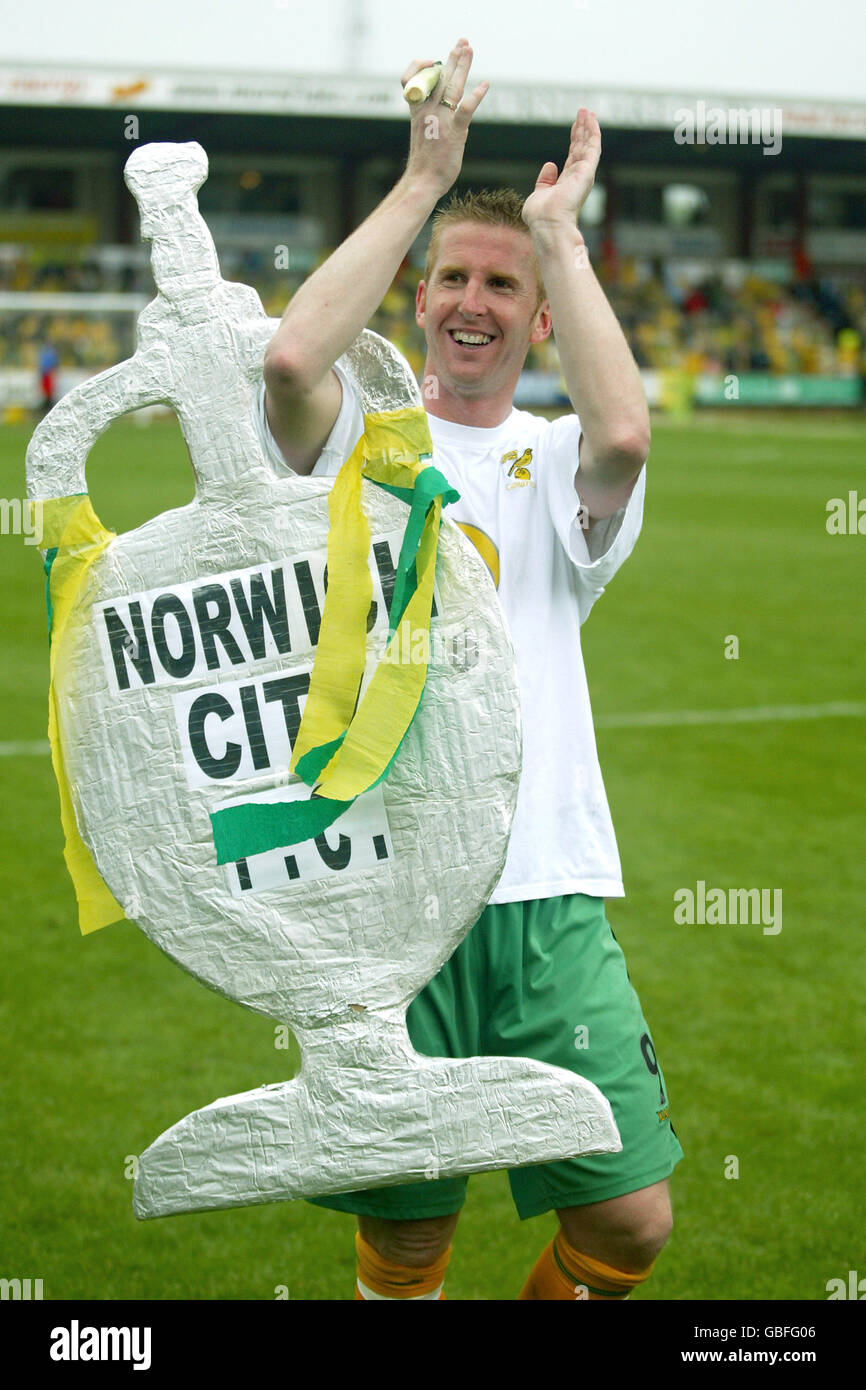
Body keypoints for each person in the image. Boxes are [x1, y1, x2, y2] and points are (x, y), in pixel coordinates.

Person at [256, 37, 683, 1301]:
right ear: (421, 291)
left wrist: (557, 229)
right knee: (406, 1236)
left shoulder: (555, 464)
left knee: (630, 1223)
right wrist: (418, 181)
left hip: (544, 890)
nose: (471, 302)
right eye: (452, 276)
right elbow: (286, 366)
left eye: (501, 284)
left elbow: (621, 429)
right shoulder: (361, 444)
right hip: (388, 903)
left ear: (537, 316)